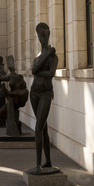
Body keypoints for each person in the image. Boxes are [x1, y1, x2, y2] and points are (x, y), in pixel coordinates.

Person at [28, 22, 59, 174]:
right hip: (34, 94)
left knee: (38, 128)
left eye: (45, 35)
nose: (43, 38)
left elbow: (51, 74)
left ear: (49, 34)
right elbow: (34, 70)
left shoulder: (53, 57)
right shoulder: (41, 56)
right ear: (38, 37)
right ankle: (48, 162)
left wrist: (38, 70)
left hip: (46, 93)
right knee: (43, 127)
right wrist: (46, 56)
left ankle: (38, 165)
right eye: (41, 35)